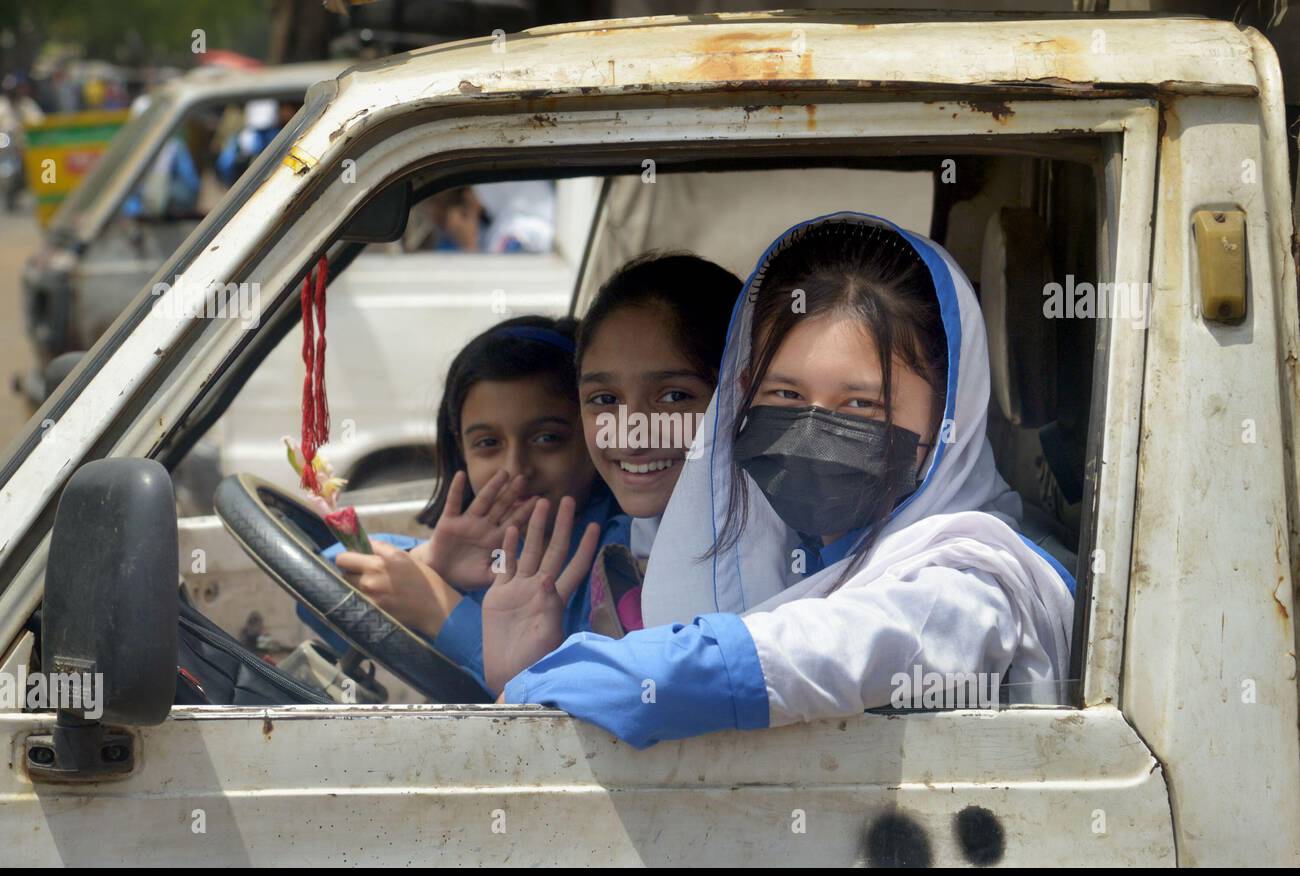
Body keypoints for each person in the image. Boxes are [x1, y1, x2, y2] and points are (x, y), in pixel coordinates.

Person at [480, 213, 1076, 748]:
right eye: (786, 395)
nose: (813, 432)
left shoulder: (979, 578)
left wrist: (640, 675)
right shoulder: (776, 555)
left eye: (862, 405)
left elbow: (849, 645)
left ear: (951, 412)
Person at [302, 316, 622, 693]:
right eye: (488, 443)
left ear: (592, 435)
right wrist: (431, 563)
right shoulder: (476, 545)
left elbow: (578, 702)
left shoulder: (621, 553)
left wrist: (439, 610)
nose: (515, 467)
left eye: (547, 438)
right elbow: (314, 594)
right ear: (461, 451)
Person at [572, 252, 740, 633]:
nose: (631, 436)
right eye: (604, 400)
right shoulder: (614, 546)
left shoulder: (791, 561)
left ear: (740, 394)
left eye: (675, 396)